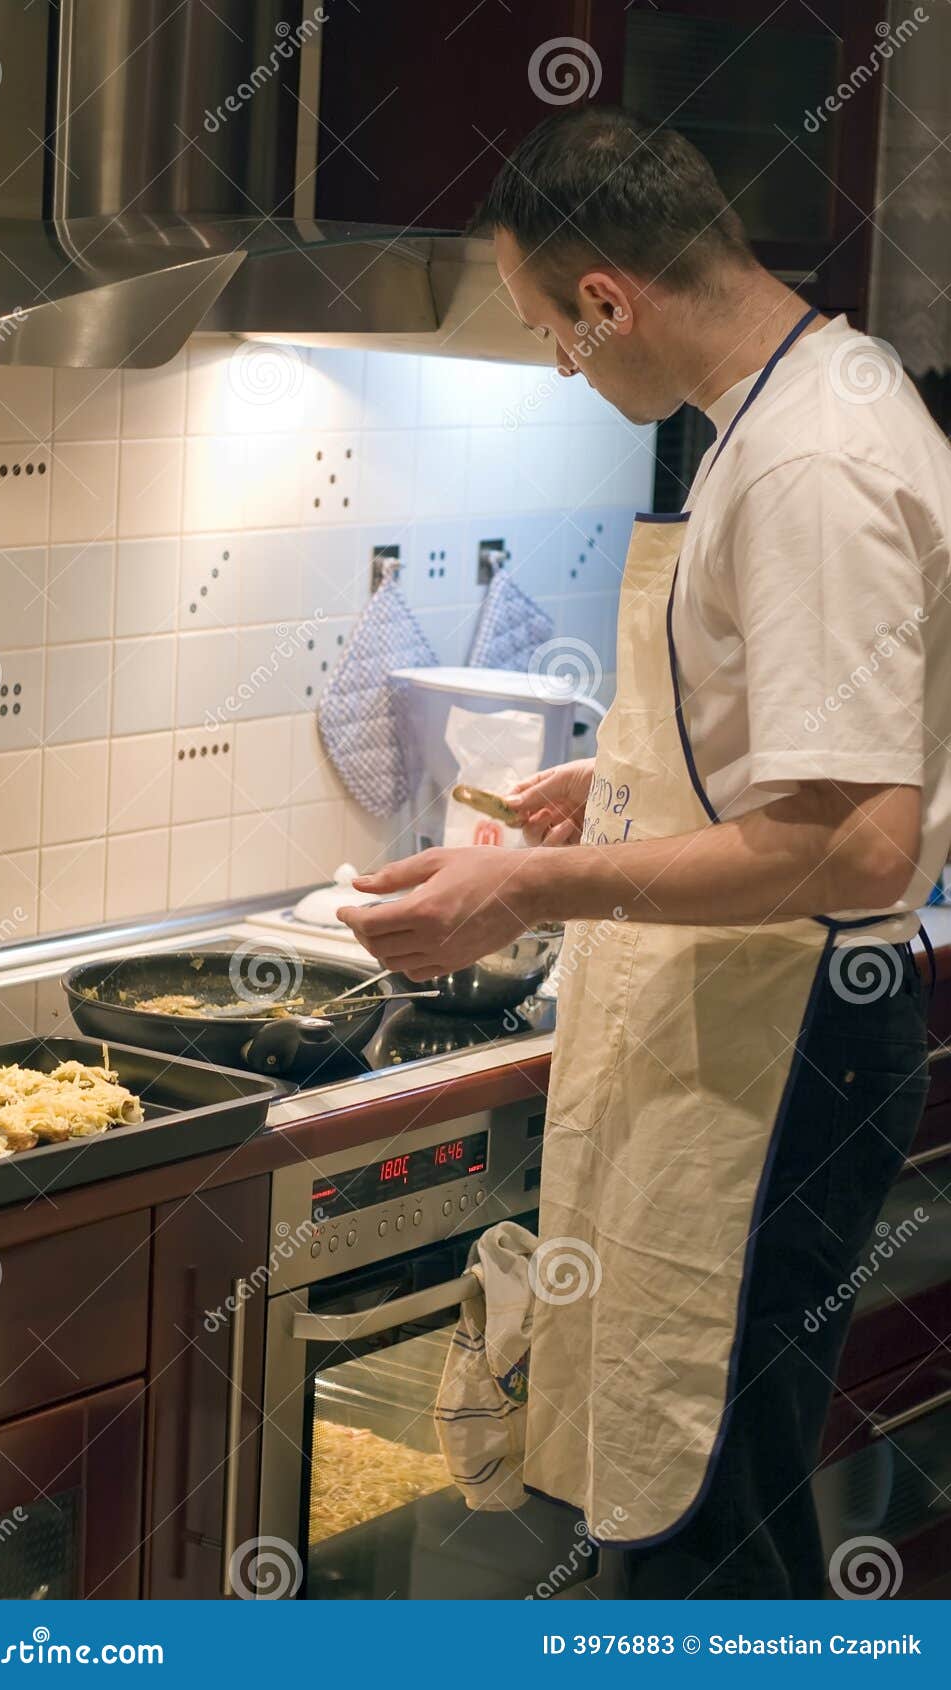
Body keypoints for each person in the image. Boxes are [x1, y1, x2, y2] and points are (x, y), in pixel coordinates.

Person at [339, 107, 951, 1599]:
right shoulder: (802, 398)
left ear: (610, 297)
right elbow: (787, 752)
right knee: (716, 1507)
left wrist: (531, 885)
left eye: (555, 331)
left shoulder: (811, 463)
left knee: (706, 1519)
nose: (570, 361)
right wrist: (618, 792)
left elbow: (862, 845)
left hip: (780, 1054)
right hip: (744, 1038)